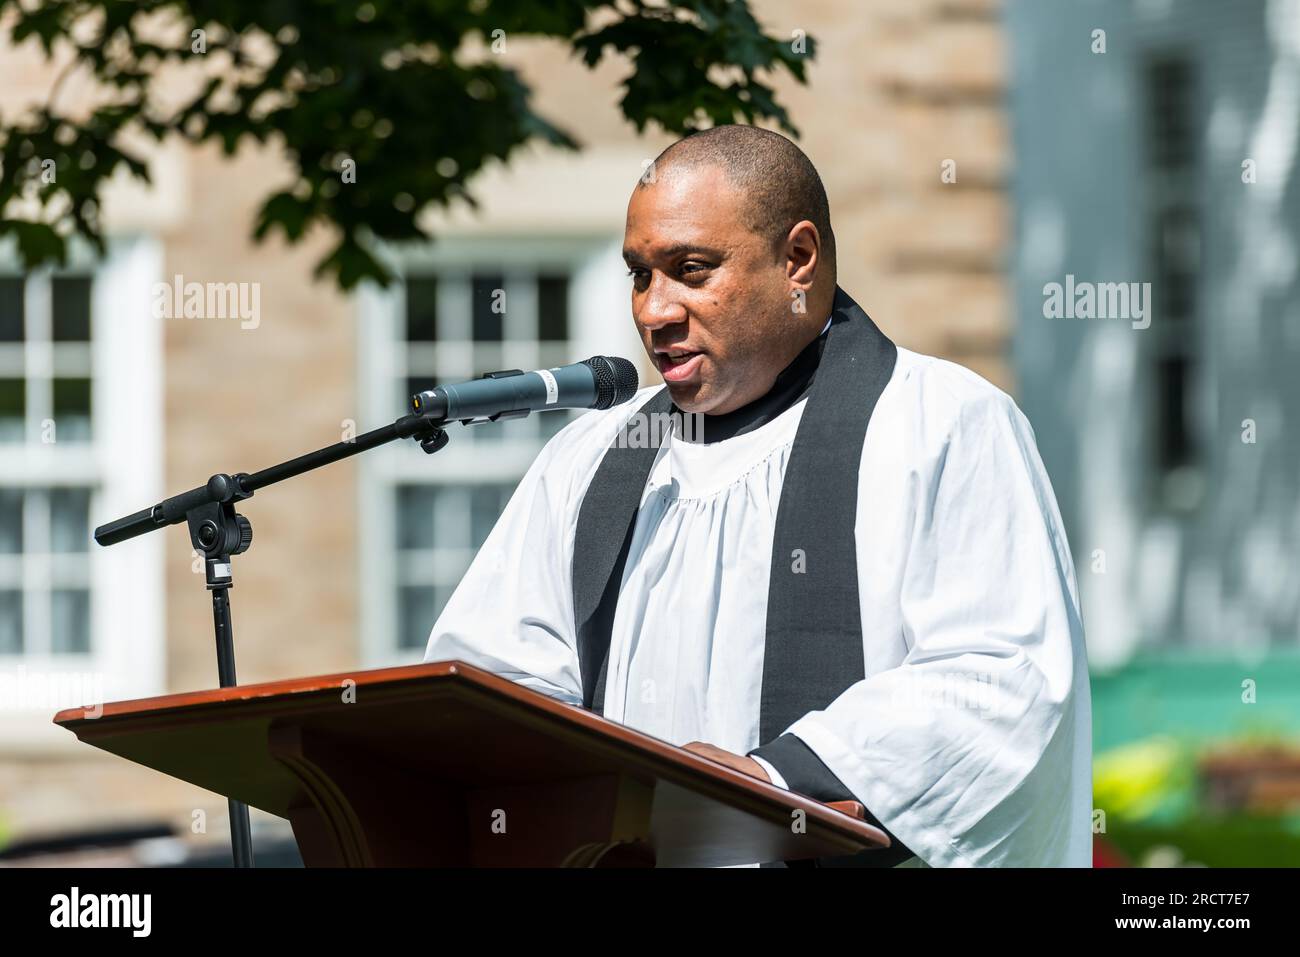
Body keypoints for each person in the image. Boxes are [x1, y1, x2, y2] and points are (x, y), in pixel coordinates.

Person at [424, 124, 1092, 867]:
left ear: (797, 259)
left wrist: (773, 781)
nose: (654, 310)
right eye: (640, 275)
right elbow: (495, 682)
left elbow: (1000, 685)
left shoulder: (942, 424)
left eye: (691, 269)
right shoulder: (591, 459)